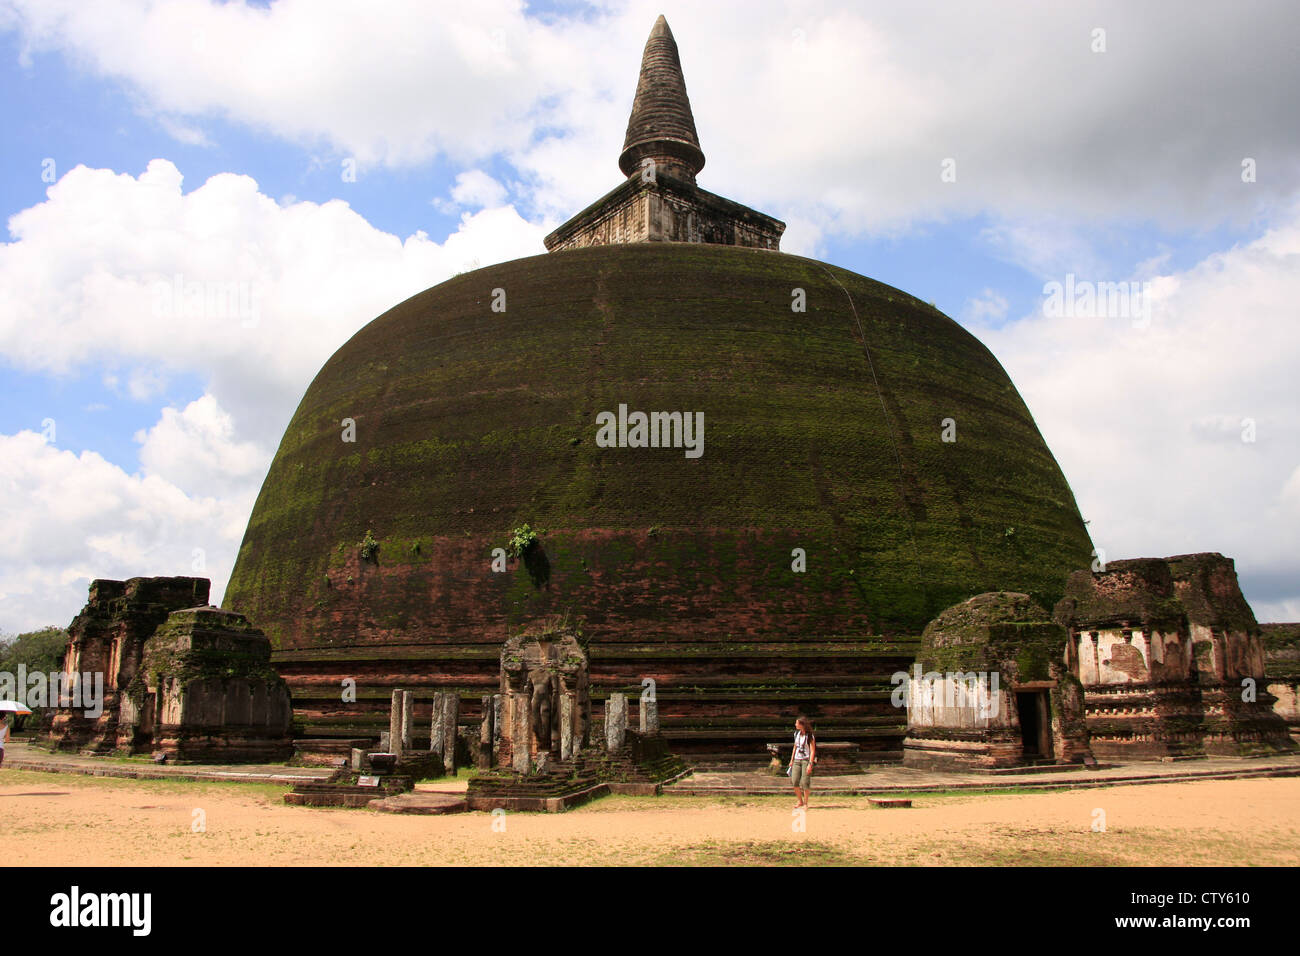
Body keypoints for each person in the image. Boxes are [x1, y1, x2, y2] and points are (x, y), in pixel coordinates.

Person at [789, 716, 816, 807]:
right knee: (795, 781)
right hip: (797, 759)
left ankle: (805, 802)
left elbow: (812, 750)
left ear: (802, 725)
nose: (795, 725)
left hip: (805, 760)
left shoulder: (809, 736)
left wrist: (810, 764)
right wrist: (791, 760)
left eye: (797, 723)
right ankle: (800, 800)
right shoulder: (797, 734)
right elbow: (795, 747)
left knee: (805, 782)